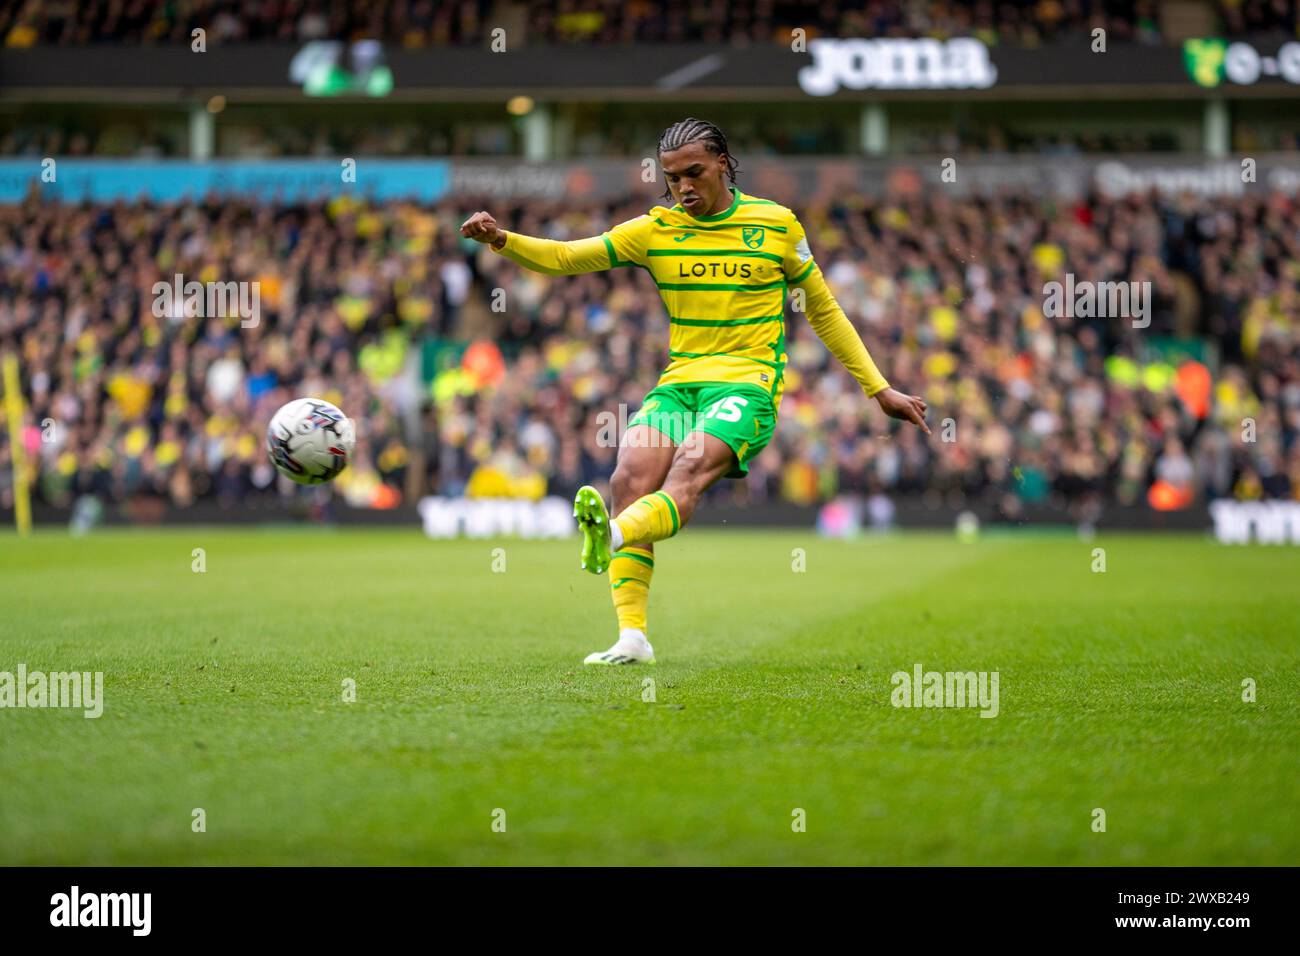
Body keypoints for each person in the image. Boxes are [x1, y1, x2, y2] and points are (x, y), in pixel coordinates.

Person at [461, 118, 929, 665]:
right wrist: (500, 239)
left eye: (694, 173)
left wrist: (878, 388)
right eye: (672, 177)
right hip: (680, 384)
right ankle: (632, 636)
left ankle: (611, 535)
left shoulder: (776, 224)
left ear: (724, 164)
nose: (683, 187)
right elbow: (567, 258)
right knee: (628, 478)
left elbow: (823, 309)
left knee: (688, 468)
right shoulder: (655, 230)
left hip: (747, 383)